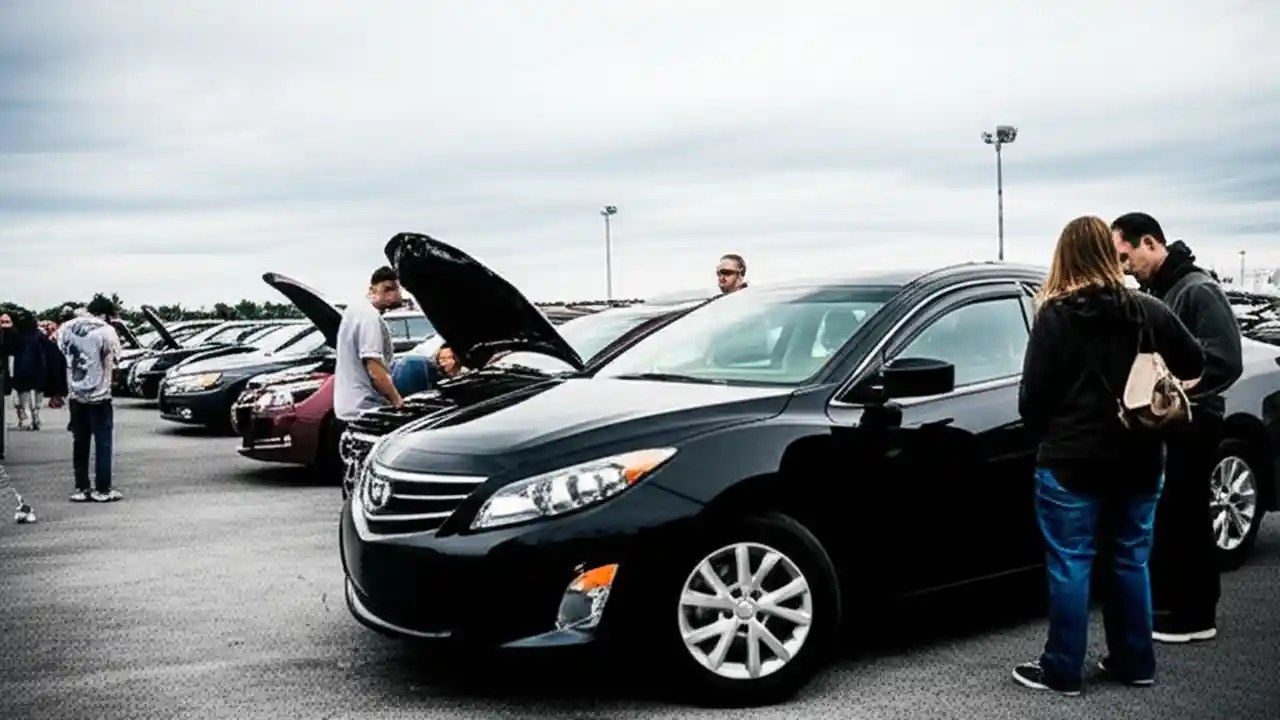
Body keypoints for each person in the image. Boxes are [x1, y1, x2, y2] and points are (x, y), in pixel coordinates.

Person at [1012, 215, 1204, 695]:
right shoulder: (1145, 309)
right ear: (1108, 253)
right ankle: (1135, 664)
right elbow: (1195, 361)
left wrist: (1050, 435)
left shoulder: (1054, 315)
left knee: (1071, 564)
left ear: (1065, 256)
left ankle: (1062, 672)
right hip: (1139, 459)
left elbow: (1031, 400)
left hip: (1072, 463)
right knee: (1130, 560)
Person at [1111, 212, 1243, 644]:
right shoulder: (1164, 290)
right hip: (1175, 422)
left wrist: (1174, 392)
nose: (1124, 266)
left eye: (1126, 255)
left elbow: (1225, 359)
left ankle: (1194, 614)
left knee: (1185, 514)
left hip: (1195, 422)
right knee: (1174, 515)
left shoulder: (1197, 290)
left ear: (1150, 243)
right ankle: (1179, 608)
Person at [57, 295, 123, 502]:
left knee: (80, 442)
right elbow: (116, 357)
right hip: (100, 395)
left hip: (76, 394)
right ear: (105, 313)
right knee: (103, 443)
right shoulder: (106, 330)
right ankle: (103, 489)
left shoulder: (66, 327)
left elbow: (62, 351)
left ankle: (81, 487)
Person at [333, 266, 406, 431]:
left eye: (396, 288)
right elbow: (374, 368)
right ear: (372, 290)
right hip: (365, 409)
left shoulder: (354, 310)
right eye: (387, 289)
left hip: (347, 407)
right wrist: (397, 401)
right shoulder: (369, 316)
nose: (393, 294)